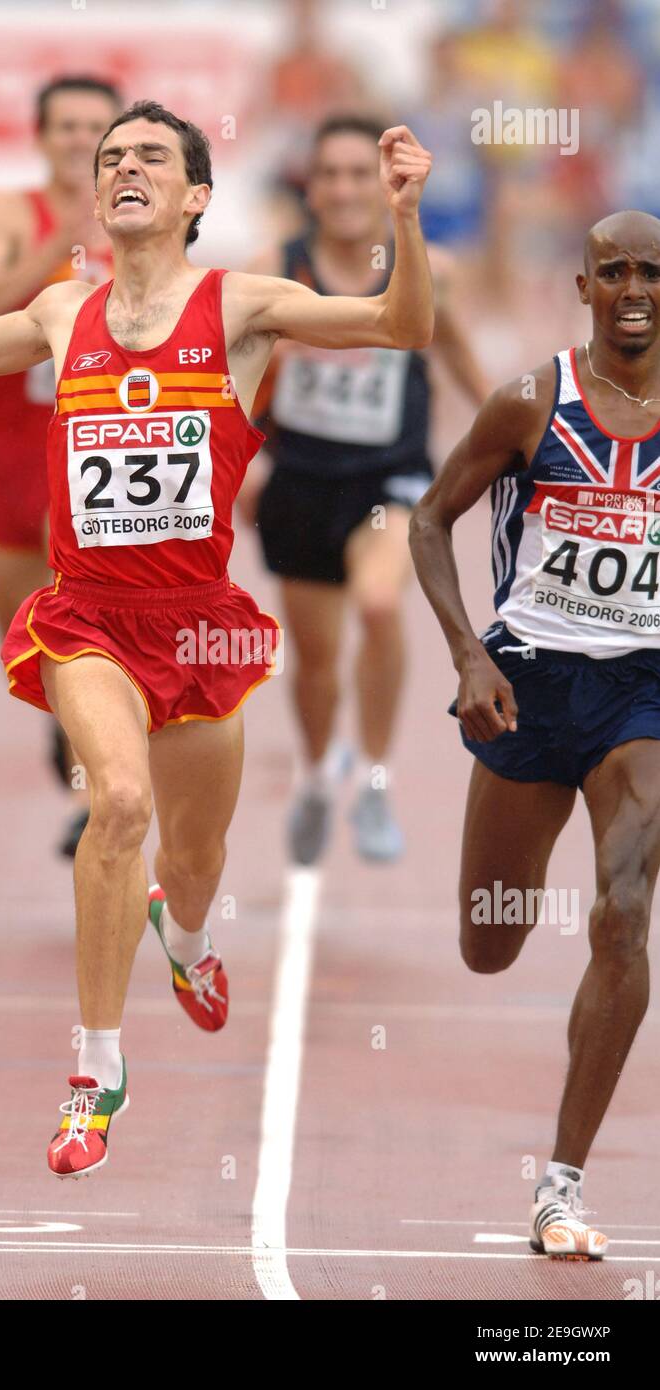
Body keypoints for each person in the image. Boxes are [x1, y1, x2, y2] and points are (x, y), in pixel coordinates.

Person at [0, 102, 433, 1179]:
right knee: (115, 801)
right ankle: (97, 1068)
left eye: (151, 156)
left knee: (194, 862)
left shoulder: (244, 304)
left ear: (196, 195)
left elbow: (401, 324)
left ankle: (191, 939)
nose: (124, 168)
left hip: (200, 627)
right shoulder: (65, 310)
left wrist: (407, 214)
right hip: (88, 616)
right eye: (112, 157)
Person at [409, 209, 660, 1259]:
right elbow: (428, 520)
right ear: (585, 287)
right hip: (528, 687)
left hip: (641, 695)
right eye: (615, 272)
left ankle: (560, 1185)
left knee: (624, 910)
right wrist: (470, 655)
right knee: (489, 944)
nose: (635, 288)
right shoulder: (532, 401)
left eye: (652, 271)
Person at [245, 115, 486, 864]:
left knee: (379, 604)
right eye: (331, 174)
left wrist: (514, 443)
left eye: (361, 173)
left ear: (384, 183)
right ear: (309, 188)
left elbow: (461, 361)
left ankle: (375, 781)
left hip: (392, 478)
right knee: (314, 662)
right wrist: (244, 463)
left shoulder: (427, 268)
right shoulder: (272, 271)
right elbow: (229, 380)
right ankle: (320, 774)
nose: (346, 189)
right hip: (300, 482)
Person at [0, 75, 121, 857]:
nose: (79, 137)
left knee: (80, 628)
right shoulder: (10, 213)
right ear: (40, 134)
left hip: (91, 458)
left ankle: (103, 785)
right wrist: (55, 251)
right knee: (27, 651)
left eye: (96, 125)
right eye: (66, 125)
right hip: (9, 451)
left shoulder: (140, 212)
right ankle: (73, 744)